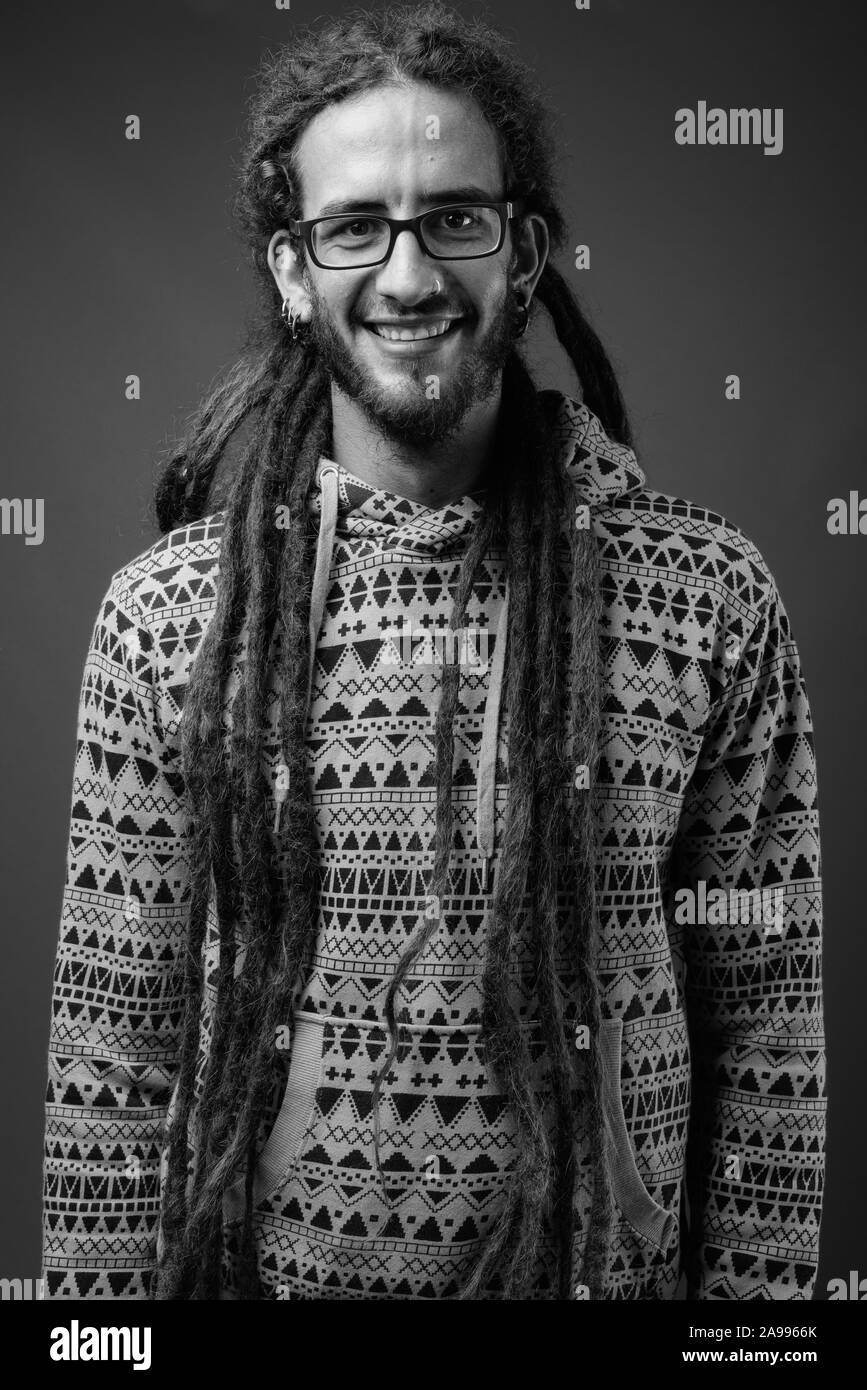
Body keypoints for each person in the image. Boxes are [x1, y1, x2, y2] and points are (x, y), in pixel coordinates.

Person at [41, 2, 825, 1301]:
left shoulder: (709, 598)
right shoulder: (168, 621)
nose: (408, 276)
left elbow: (771, 1050)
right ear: (295, 271)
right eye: (356, 226)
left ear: (523, 253)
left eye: (454, 217)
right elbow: (109, 1074)